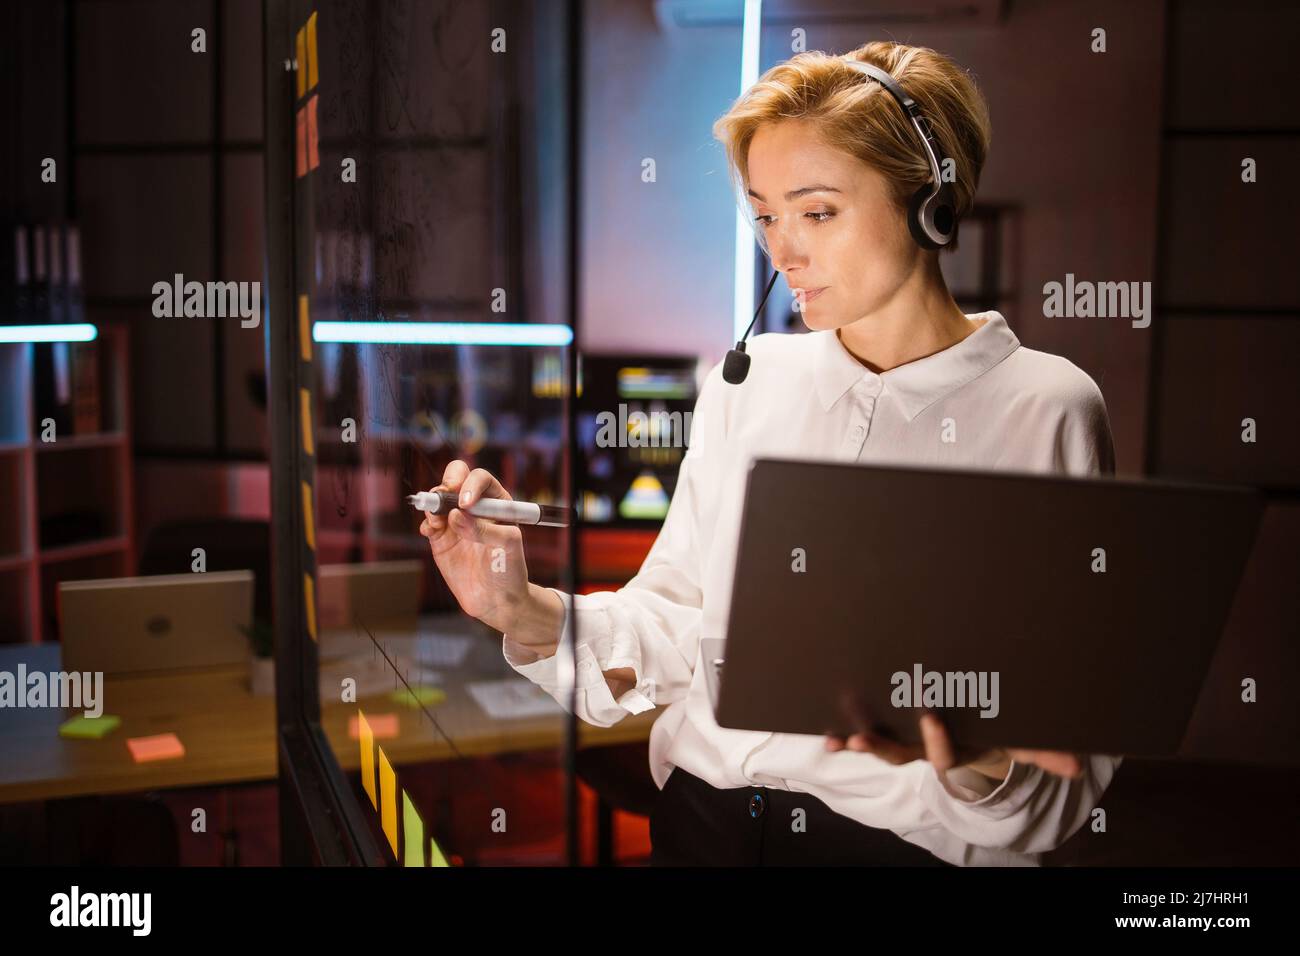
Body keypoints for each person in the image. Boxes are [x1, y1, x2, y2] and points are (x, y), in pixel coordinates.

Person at [418, 41, 1121, 866]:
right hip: (700, 829)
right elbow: (679, 628)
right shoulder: (748, 382)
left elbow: (1063, 768)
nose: (782, 252)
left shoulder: (1046, 406)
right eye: (765, 215)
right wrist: (521, 609)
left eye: (817, 212)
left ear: (929, 201)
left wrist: (979, 757)